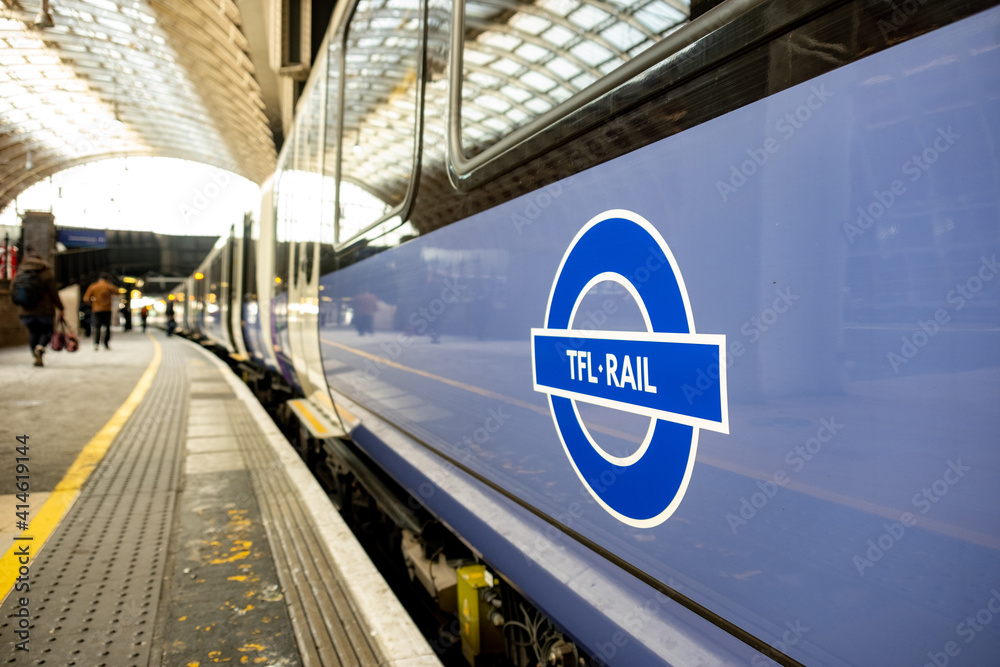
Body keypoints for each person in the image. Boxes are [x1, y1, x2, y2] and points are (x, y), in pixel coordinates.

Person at [11, 253, 64, 367]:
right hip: (45, 311)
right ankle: (40, 348)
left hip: (26, 310)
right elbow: (53, 293)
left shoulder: (20, 272)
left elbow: (12, 290)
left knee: (33, 333)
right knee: (47, 331)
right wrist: (61, 307)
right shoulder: (45, 272)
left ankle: (34, 356)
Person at [82, 273, 118, 350]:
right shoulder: (109, 286)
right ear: (107, 279)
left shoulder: (93, 286)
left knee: (97, 327)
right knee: (107, 327)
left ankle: (96, 344)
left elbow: (86, 299)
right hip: (107, 309)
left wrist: (92, 303)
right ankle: (106, 343)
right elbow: (118, 292)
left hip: (96, 309)